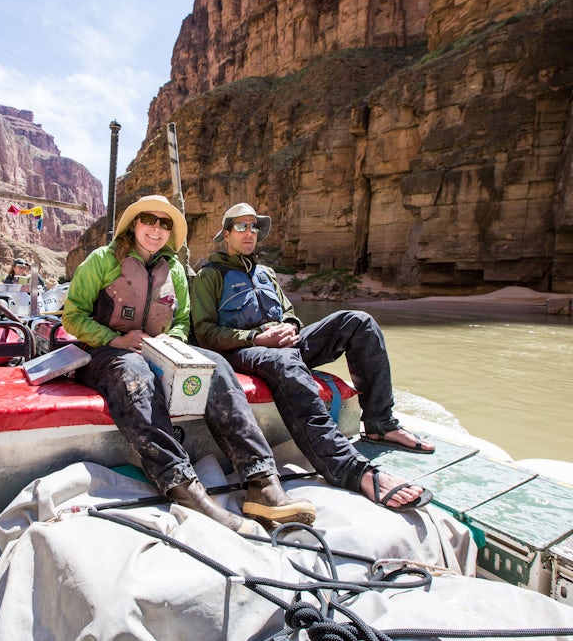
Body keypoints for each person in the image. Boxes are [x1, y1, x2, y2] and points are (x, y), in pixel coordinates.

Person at [63, 195, 316, 532]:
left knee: (216, 366)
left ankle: (261, 482)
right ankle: (182, 487)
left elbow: (182, 319)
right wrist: (116, 340)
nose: (156, 228)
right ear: (134, 224)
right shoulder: (101, 261)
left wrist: (172, 343)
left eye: (164, 223)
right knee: (135, 374)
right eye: (148, 220)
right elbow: (72, 316)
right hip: (105, 350)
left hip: (158, 349)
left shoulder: (176, 271)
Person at [190, 202, 434, 511]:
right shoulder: (210, 274)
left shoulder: (266, 273)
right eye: (241, 226)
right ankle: (346, 467)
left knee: (358, 322)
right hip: (243, 349)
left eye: (254, 227)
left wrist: (291, 328)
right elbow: (204, 333)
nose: (249, 233)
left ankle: (380, 423)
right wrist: (258, 337)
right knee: (286, 361)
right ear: (226, 234)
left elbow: (290, 314)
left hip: (281, 343)